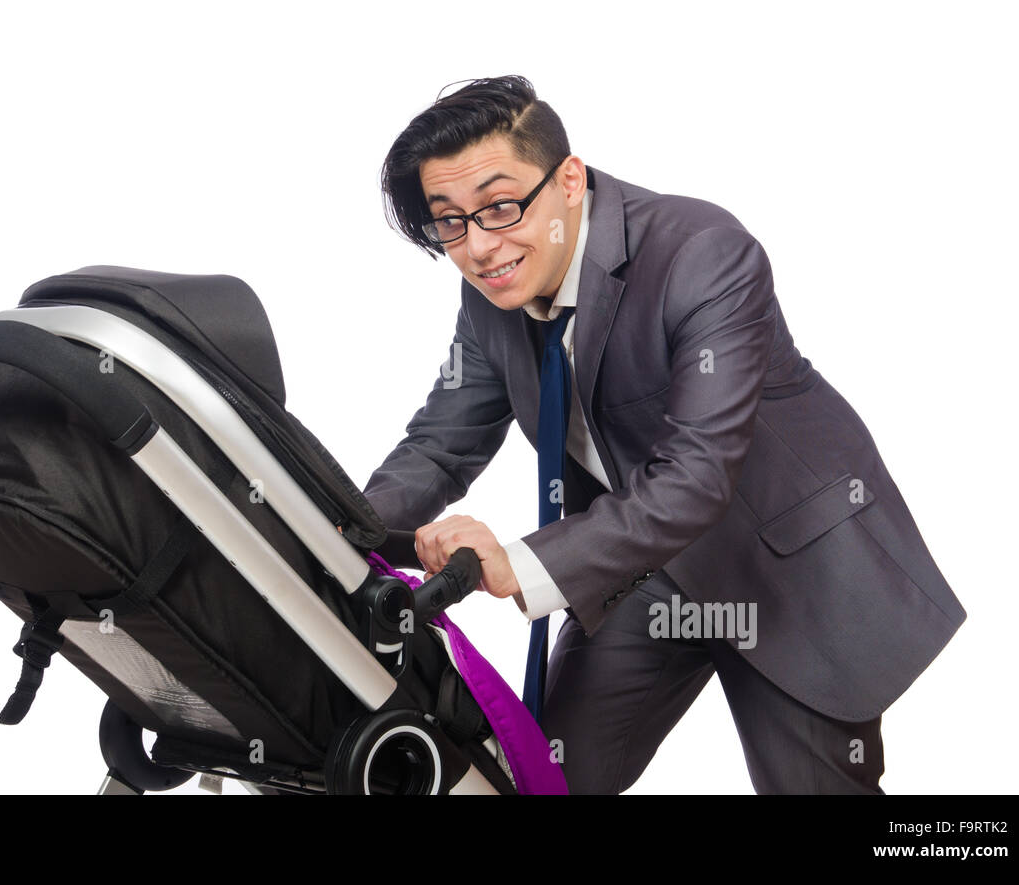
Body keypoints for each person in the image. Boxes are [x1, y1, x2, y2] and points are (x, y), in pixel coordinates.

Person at [359, 75, 966, 794]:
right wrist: (334, 529)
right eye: (450, 221)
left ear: (571, 181)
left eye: (500, 205)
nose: (481, 247)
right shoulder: (491, 290)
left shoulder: (703, 252)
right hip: (640, 567)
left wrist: (514, 563)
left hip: (781, 562)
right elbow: (440, 441)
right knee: (540, 778)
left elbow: (699, 473)